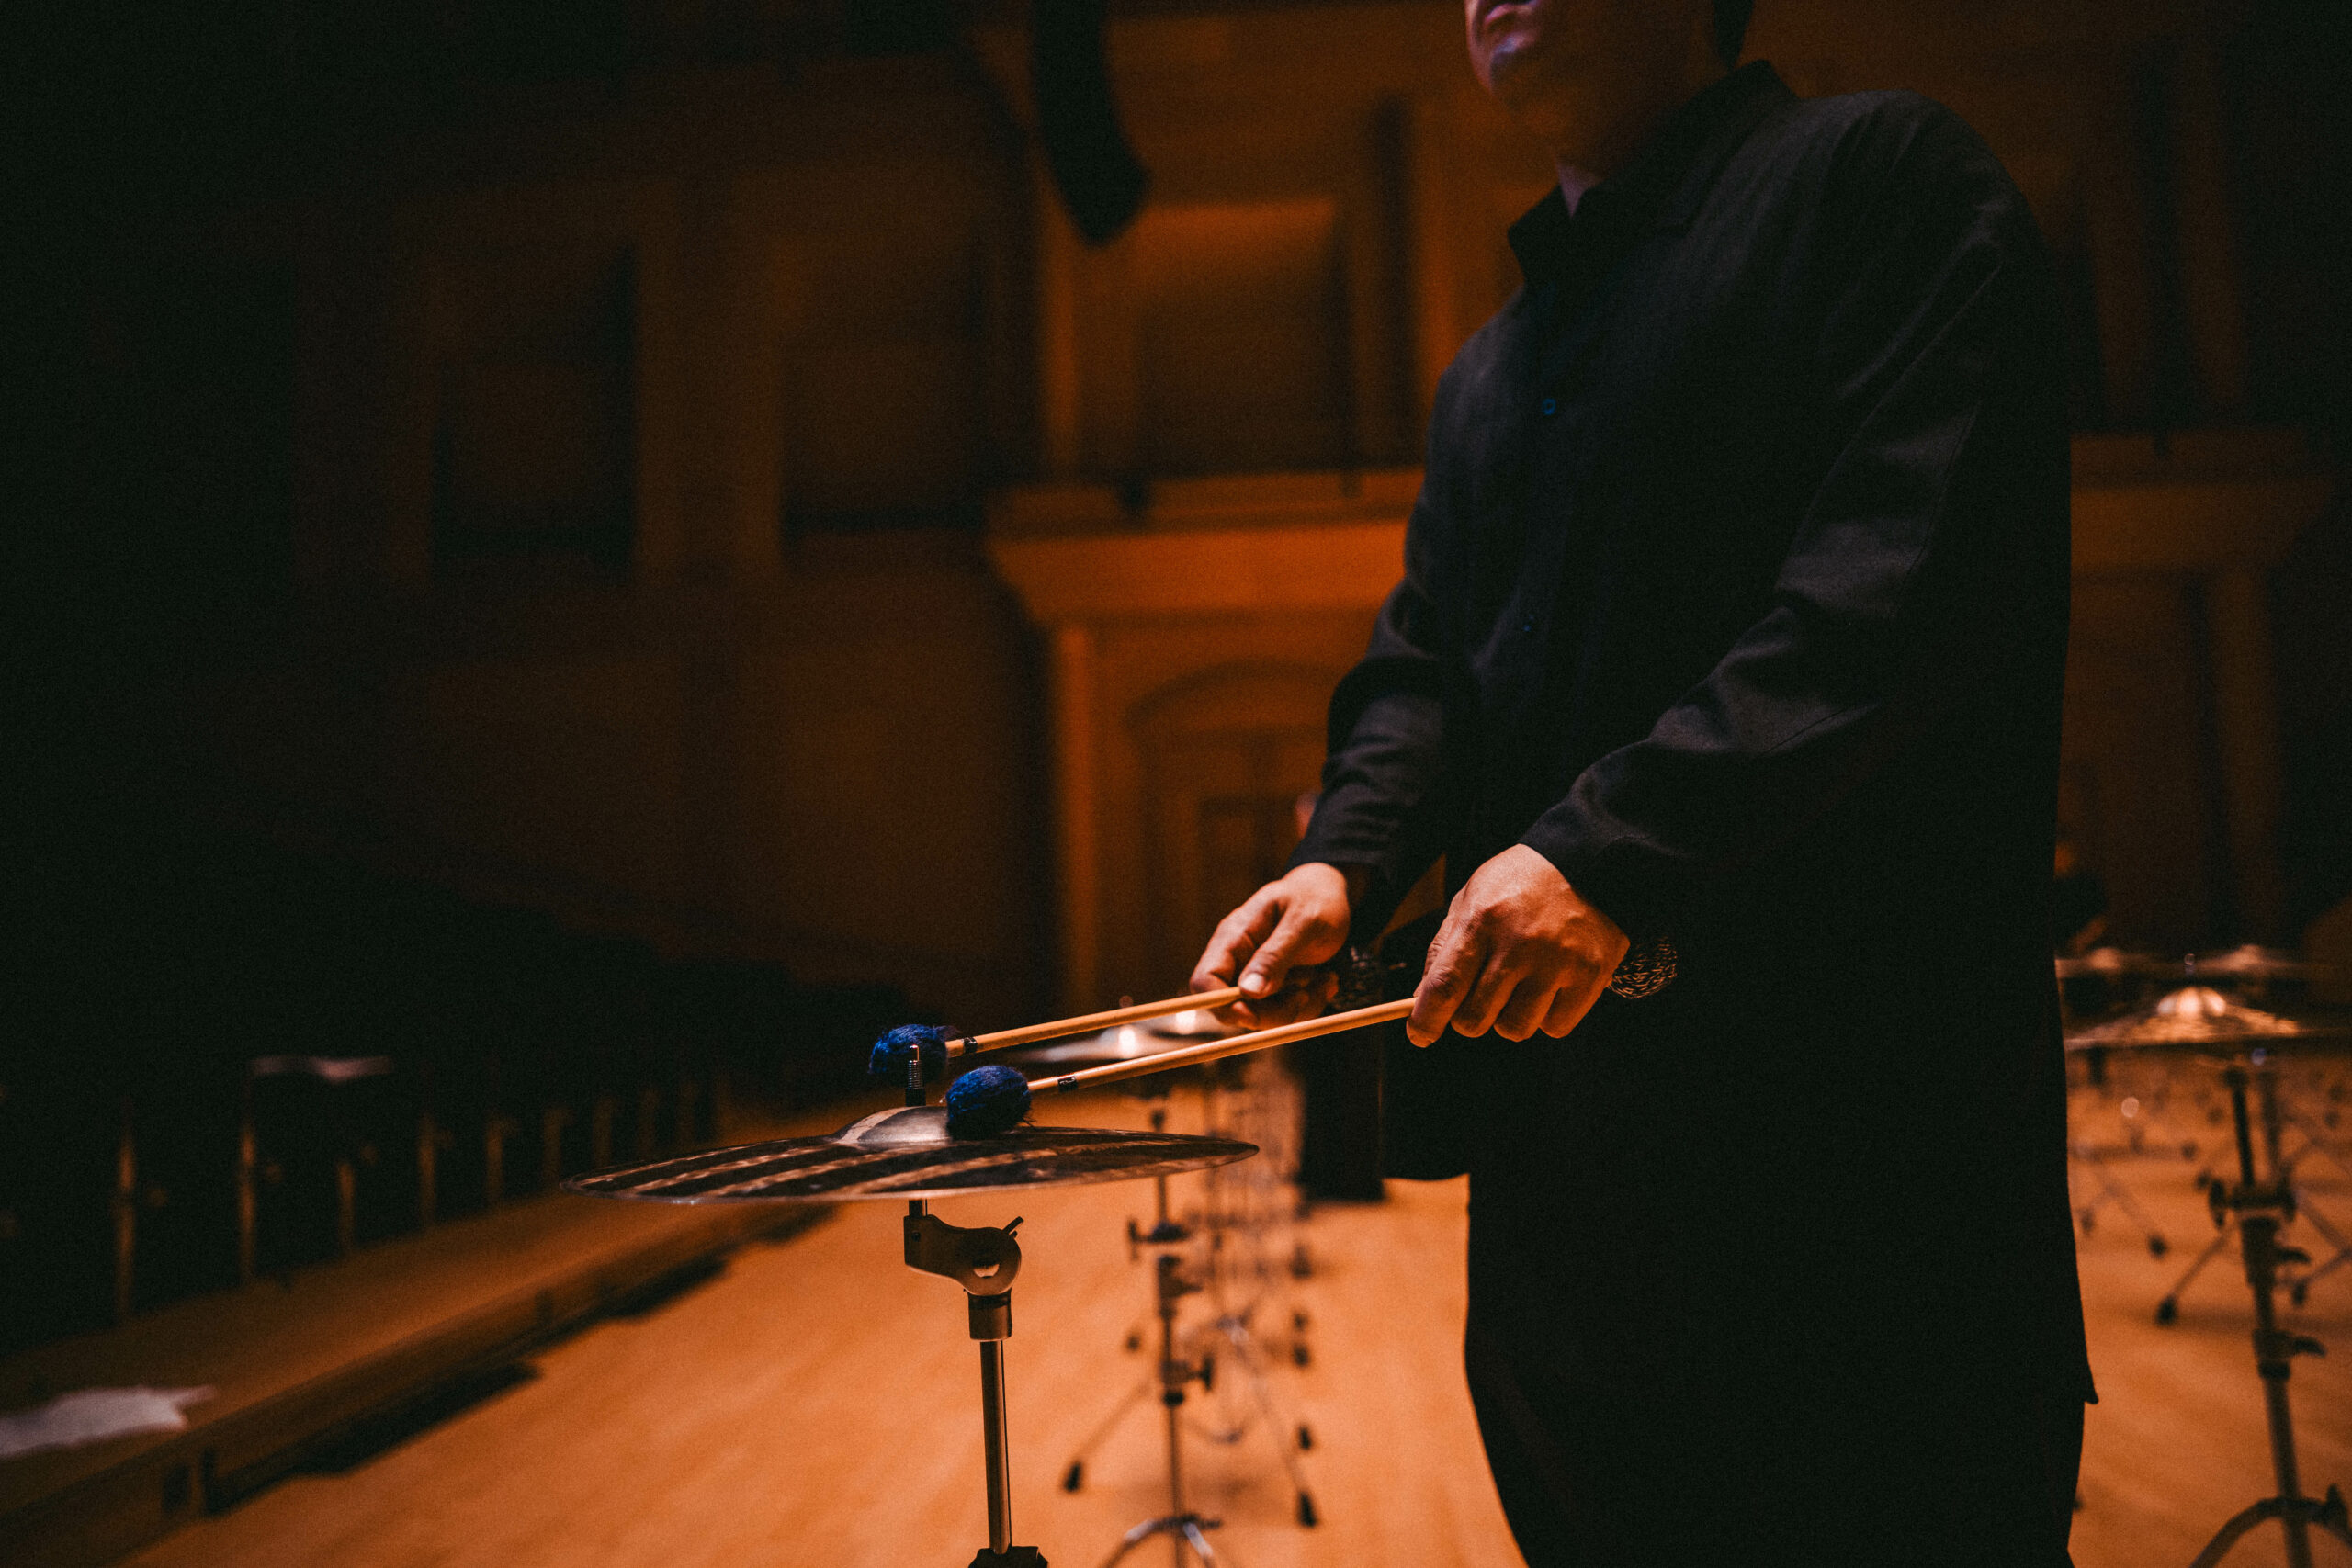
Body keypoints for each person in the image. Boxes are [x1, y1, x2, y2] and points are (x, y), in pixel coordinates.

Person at [1188, 1, 2091, 1562]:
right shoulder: (1495, 365)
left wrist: (1610, 851)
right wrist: (1350, 854)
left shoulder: (1877, 179)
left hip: (1852, 1164)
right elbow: (1427, 671)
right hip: (1570, 1206)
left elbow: (1903, 586)